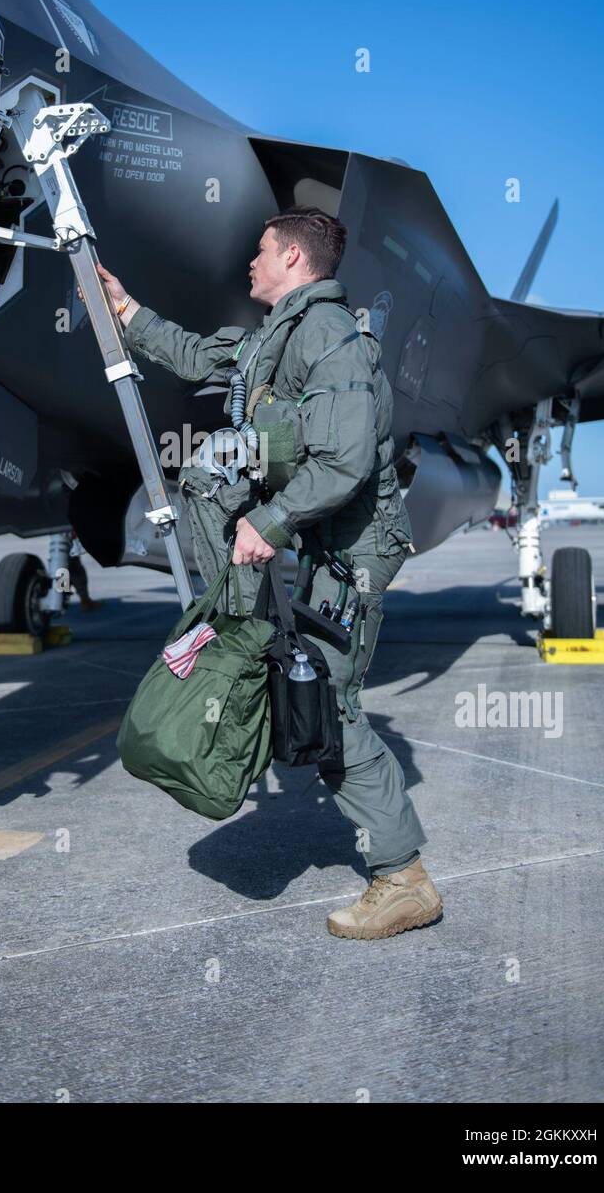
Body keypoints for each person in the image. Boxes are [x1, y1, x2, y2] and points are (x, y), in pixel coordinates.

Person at [95, 206, 442, 941]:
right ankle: (398, 868)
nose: (249, 263)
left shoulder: (329, 338)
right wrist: (125, 309)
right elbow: (197, 355)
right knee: (309, 698)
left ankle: (405, 877)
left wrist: (268, 523)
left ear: (291, 257)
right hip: (325, 549)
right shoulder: (278, 338)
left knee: (330, 708)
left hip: (356, 557)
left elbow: (345, 460)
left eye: (260, 251)